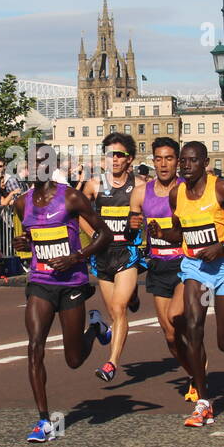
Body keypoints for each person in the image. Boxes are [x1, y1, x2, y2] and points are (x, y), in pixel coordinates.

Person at [149, 141, 224, 428]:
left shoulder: (222, 189)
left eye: (192, 161)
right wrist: (162, 232)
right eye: (183, 162)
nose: (185, 166)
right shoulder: (177, 194)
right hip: (194, 268)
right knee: (193, 324)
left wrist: (223, 247)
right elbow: (179, 232)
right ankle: (203, 401)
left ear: (205, 162)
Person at [10, 151, 113, 442]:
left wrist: (76, 257)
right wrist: (24, 241)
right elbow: (33, 237)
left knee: (74, 359)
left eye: (39, 162)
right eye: (28, 162)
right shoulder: (22, 203)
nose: (32, 167)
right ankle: (43, 421)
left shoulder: (71, 198)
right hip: (41, 282)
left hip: (72, 282)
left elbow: (103, 235)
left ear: (51, 167)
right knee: (34, 346)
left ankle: (95, 327)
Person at [81, 132, 145, 381]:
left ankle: (111, 363)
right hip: (102, 256)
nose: (115, 159)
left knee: (119, 309)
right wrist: (95, 236)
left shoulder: (139, 185)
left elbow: (154, 211)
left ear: (130, 159)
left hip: (127, 253)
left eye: (120, 155)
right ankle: (102, 326)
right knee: (113, 312)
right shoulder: (94, 185)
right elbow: (79, 212)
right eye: (110, 155)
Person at [130, 137, 187, 393]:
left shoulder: (189, 189)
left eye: (169, 158)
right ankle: (193, 370)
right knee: (170, 334)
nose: (164, 164)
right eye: (159, 159)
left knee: (180, 320)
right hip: (158, 265)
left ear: (177, 161)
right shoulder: (141, 192)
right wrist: (130, 227)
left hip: (187, 265)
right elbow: (132, 232)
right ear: (153, 161)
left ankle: (198, 374)